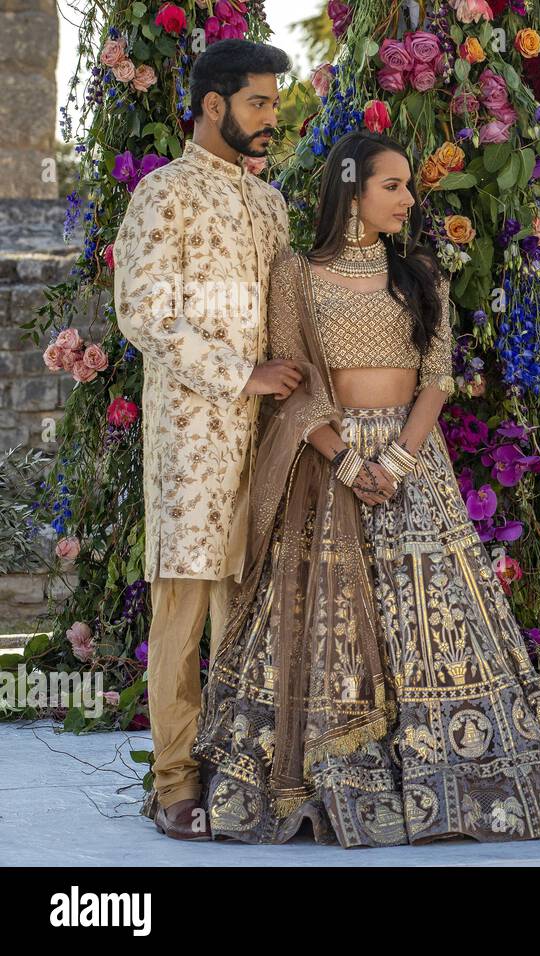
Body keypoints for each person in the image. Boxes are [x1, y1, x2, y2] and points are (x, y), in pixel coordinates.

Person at [190, 129, 540, 846]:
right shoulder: (296, 274)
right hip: (328, 466)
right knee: (330, 621)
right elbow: (293, 381)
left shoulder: (421, 276)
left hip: (414, 463)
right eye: (393, 185)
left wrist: (400, 461)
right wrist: (344, 459)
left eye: (408, 186)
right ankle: (336, 776)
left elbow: (437, 379)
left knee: (434, 617)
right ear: (353, 189)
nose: (408, 199)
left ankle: (444, 773)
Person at [114, 38, 298, 841]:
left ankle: (239, 768)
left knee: (248, 600)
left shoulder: (269, 204)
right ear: (213, 104)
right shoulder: (165, 195)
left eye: (275, 104)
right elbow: (146, 313)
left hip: (267, 437)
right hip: (192, 436)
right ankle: (175, 781)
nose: (271, 119)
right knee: (186, 605)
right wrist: (242, 375)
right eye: (259, 102)